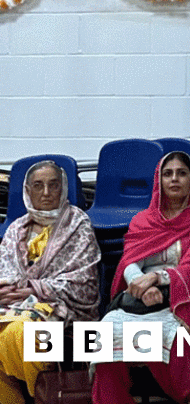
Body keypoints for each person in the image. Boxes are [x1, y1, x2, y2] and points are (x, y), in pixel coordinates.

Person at [92, 151, 190, 404]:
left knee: (176, 338)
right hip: (140, 299)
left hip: (182, 303)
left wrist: (156, 278)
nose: (174, 179)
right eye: (168, 174)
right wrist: (141, 286)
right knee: (105, 333)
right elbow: (129, 262)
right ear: (159, 180)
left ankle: (184, 398)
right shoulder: (143, 221)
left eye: (182, 173)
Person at [0, 161, 100, 404]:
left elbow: (84, 284)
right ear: (27, 191)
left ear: (63, 188)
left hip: (63, 310)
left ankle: (39, 396)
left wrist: (32, 288)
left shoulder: (78, 225)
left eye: (53, 185)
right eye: (38, 186)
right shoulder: (15, 229)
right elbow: (5, 277)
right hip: (14, 307)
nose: (46, 193)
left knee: (21, 332)